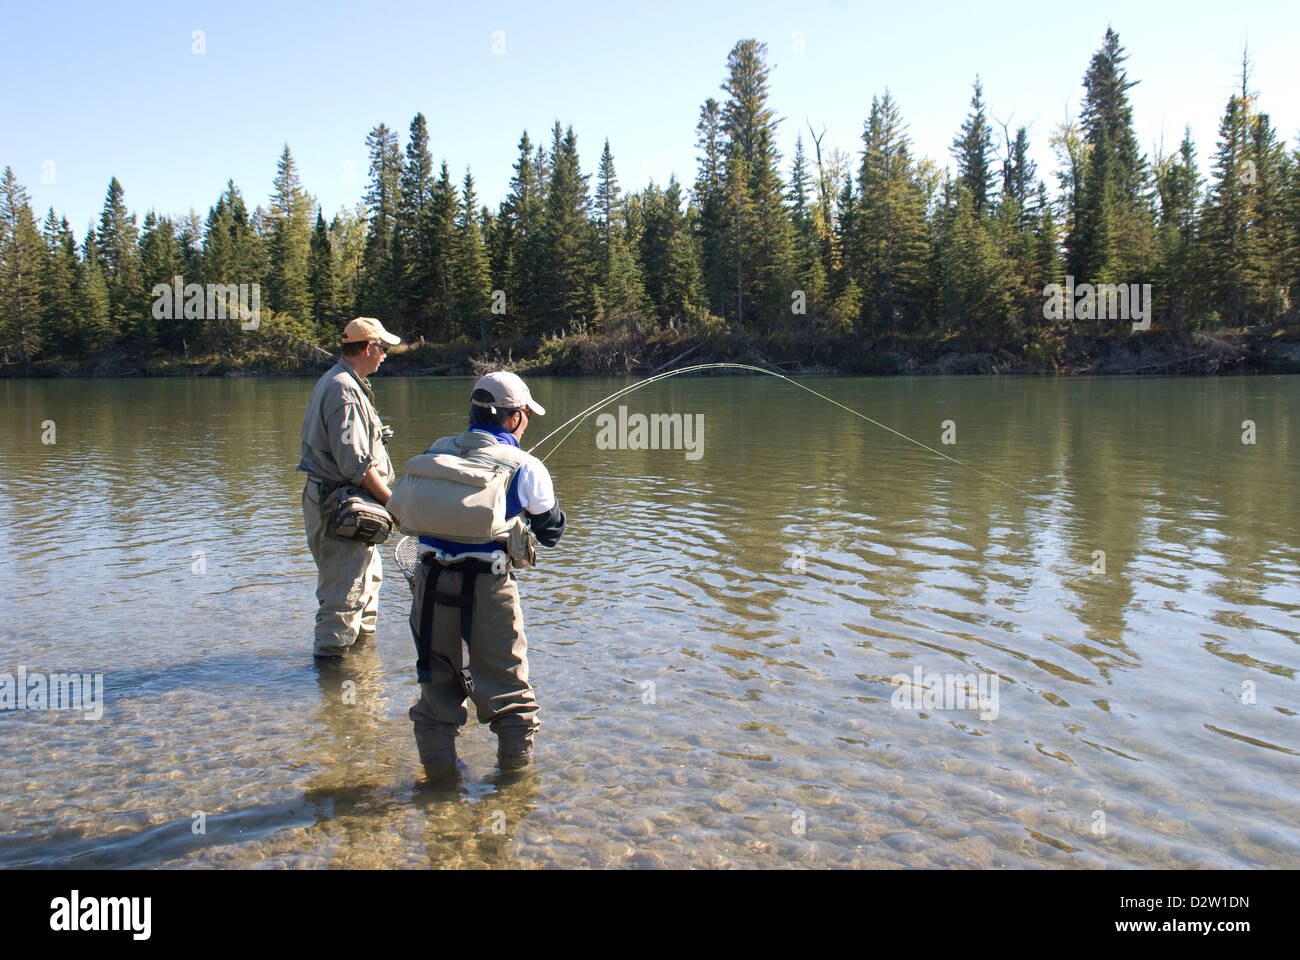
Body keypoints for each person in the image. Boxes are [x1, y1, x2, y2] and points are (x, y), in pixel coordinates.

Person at [404, 371, 566, 774]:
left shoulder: (436, 449)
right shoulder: (526, 466)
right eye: (526, 414)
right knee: (511, 697)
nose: (526, 421)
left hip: (428, 586)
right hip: (488, 590)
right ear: (513, 418)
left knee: (436, 698)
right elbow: (552, 532)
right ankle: (514, 792)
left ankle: (439, 790)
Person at [298, 317, 400, 659]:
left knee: (366, 587)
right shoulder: (344, 389)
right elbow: (356, 466)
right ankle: (333, 680)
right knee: (344, 597)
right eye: (383, 349)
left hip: (349, 509)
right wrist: (395, 507)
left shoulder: (344, 382)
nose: (385, 355)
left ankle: (361, 676)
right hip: (338, 509)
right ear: (368, 348)